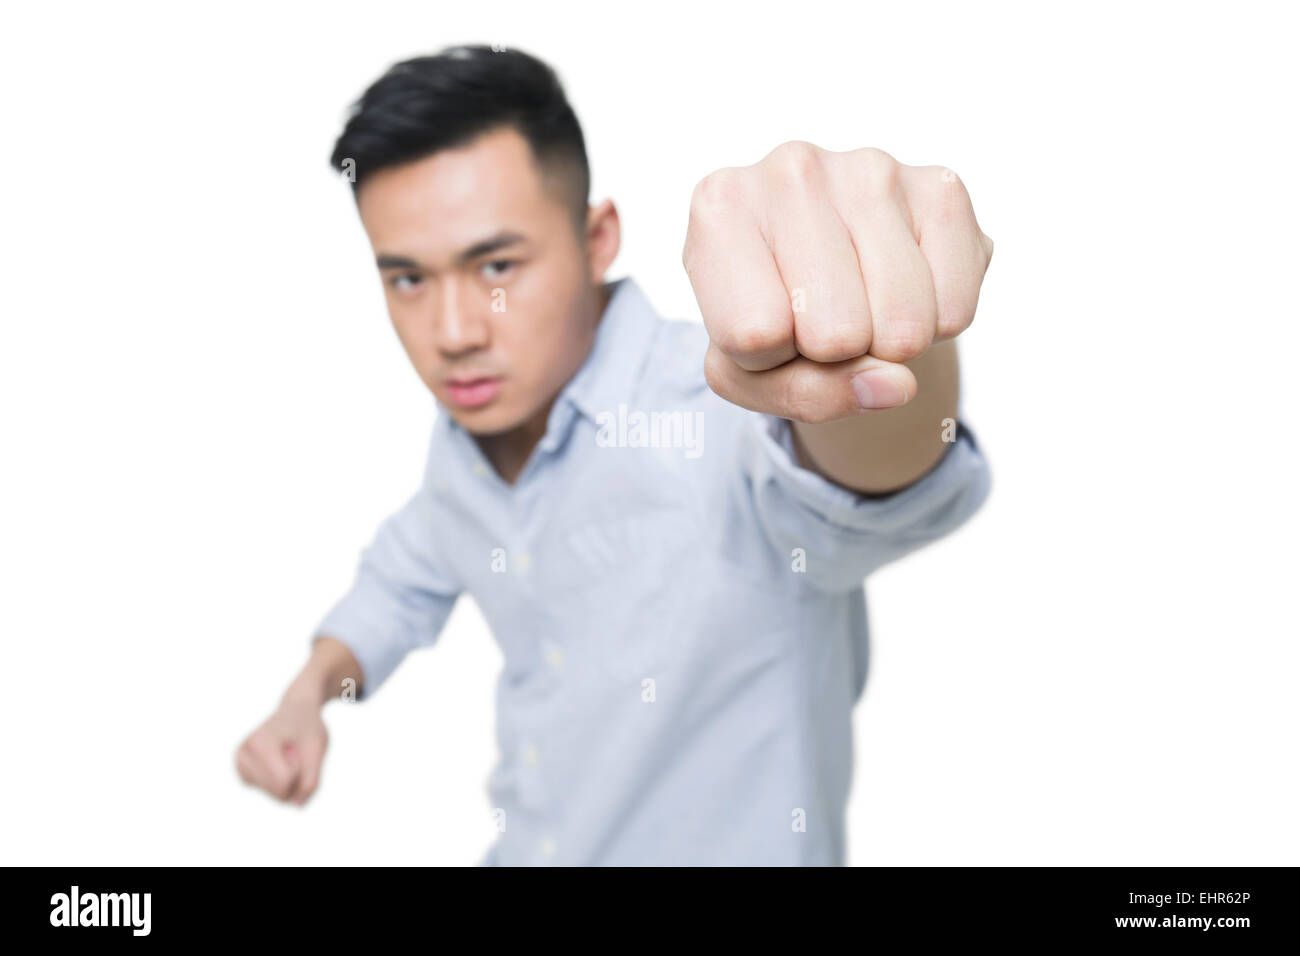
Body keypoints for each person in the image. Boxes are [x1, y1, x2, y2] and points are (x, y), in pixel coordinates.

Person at [234, 43, 994, 866]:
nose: (453, 334)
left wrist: (878, 335)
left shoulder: (722, 404)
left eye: (495, 265)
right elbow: (400, 578)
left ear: (598, 239)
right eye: (408, 279)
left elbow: (865, 474)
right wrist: (308, 695)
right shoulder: (461, 450)